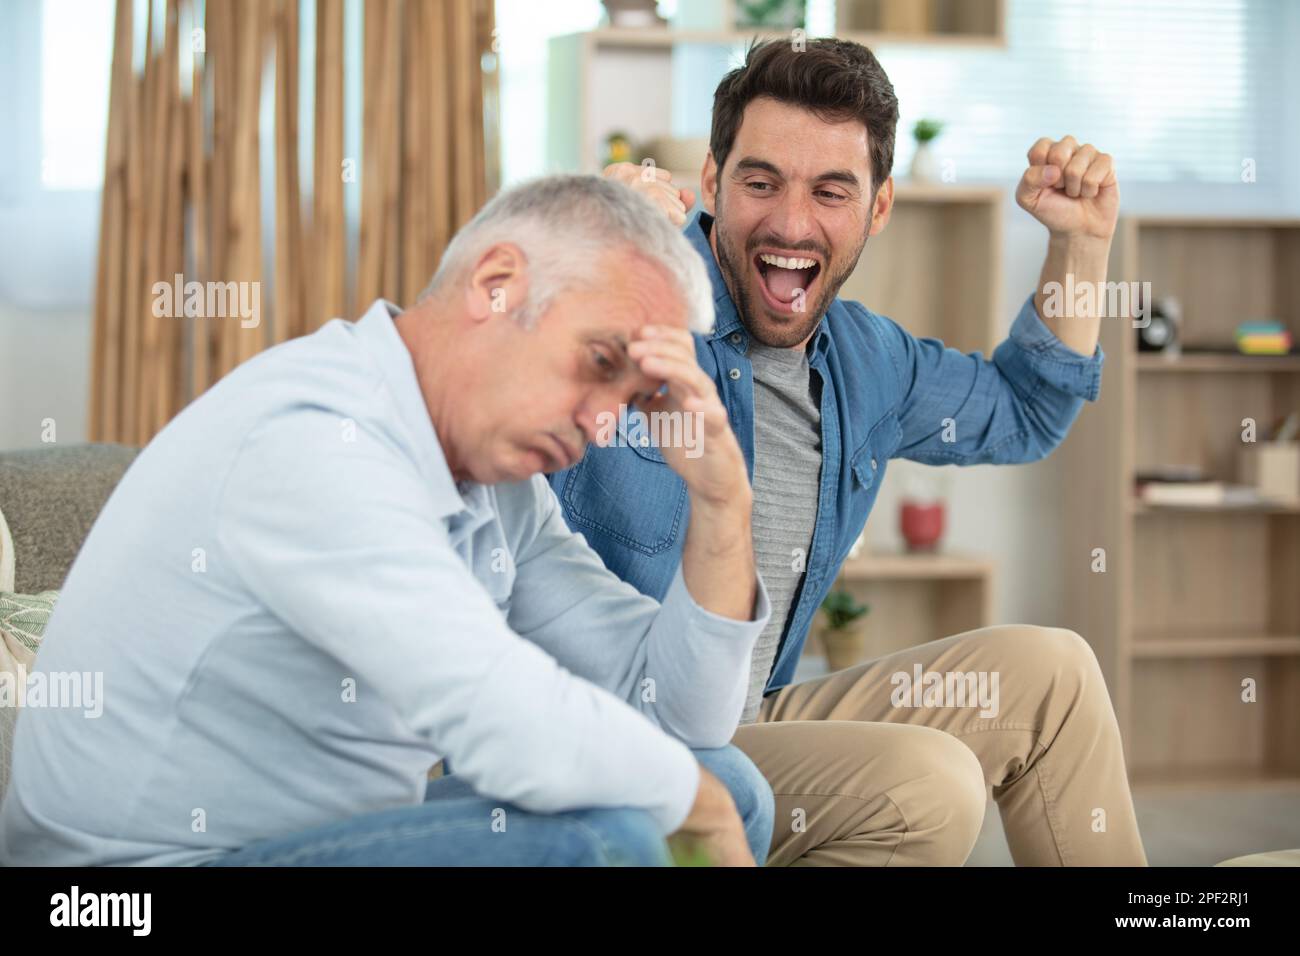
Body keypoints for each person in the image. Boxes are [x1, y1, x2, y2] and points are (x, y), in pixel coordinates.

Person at [0, 176, 775, 867]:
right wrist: (693, 808)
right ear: (498, 283)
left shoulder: (498, 484)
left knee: (727, 785)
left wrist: (723, 504)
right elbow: (497, 712)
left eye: (636, 400)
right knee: (624, 836)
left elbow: (680, 714)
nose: (605, 425)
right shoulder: (315, 434)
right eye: (601, 364)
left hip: (319, 838)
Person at [553, 38, 1148, 866]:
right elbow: (453, 418)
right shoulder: (624, 293)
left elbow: (1025, 411)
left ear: (878, 207)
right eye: (760, 183)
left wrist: (1081, 246)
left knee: (1054, 672)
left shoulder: (870, 362)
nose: (792, 223)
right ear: (713, 185)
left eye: (831, 191)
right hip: (606, 754)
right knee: (926, 783)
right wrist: (570, 264)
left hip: (753, 733)